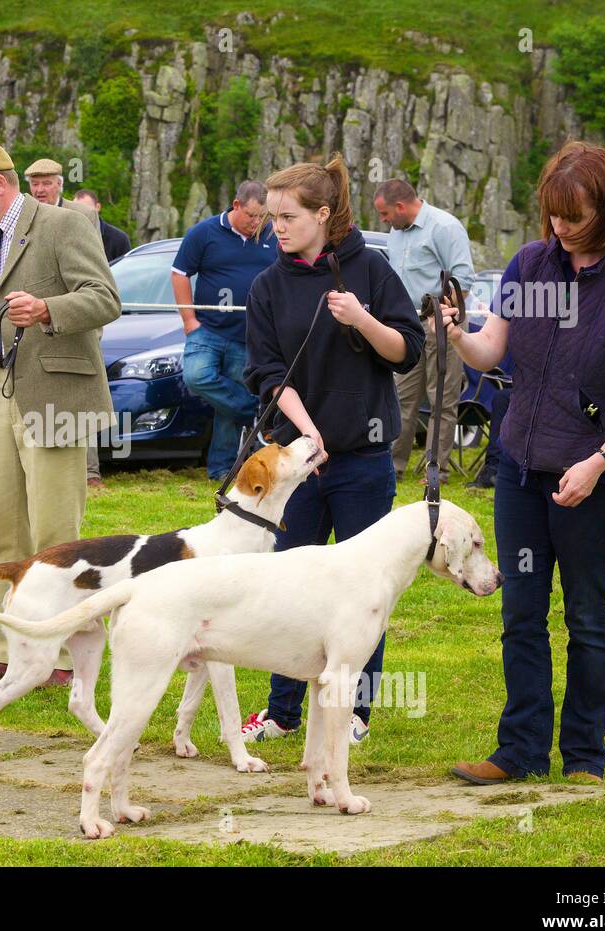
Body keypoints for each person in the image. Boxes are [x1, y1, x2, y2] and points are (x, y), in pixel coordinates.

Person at [441, 141, 605, 785]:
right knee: (521, 613)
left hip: (593, 478)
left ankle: (584, 760)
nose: (561, 228)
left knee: (586, 617)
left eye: (575, 216)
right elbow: (491, 350)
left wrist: (598, 461)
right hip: (518, 467)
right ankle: (517, 751)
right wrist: (458, 334)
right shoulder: (528, 266)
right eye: (554, 215)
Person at [239, 155, 424, 745]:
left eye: (288, 216)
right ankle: (283, 710)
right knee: (286, 585)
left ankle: (355, 712)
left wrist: (363, 319)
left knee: (362, 591)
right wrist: (305, 433)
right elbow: (266, 372)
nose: (277, 228)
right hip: (296, 463)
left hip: (365, 458)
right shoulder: (268, 285)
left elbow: (407, 351)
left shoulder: (369, 270)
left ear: (323, 215)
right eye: (271, 218)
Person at [0, 140, 120, 687]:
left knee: (56, 536)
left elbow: (105, 298)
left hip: (58, 396)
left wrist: (48, 310)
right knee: (3, 536)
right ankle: (8, 652)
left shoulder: (64, 224)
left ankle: (57, 658)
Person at [373, 179, 477, 484]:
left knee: (441, 399)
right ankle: (393, 467)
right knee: (400, 397)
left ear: (401, 207)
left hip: (441, 323)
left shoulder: (445, 227)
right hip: (406, 327)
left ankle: (436, 470)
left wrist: (444, 321)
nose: (383, 220)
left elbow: (464, 279)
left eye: (385, 213)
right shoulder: (395, 234)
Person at [171, 182, 277, 480]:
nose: (256, 223)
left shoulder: (271, 235)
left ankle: (220, 470)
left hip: (250, 335)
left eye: (262, 217)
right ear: (236, 204)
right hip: (208, 329)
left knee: (226, 409)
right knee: (196, 376)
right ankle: (255, 412)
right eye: (252, 216)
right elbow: (179, 274)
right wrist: (189, 320)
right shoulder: (204, 233)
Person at [25, 158, 108, 488]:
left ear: (60, 183)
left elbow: (94, 270)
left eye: (46, 182)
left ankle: (90, 472)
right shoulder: (26, 214)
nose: (40, 189)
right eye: (35, 183)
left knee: (82, 397)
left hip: (78, 316)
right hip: (37, 317)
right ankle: (42, 469)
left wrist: (89, 320)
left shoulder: (83, 215)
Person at [72, 189, 132, 262]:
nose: (81, 214)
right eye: (76, 210)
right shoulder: (67, 237)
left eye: (85, 209)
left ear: (97, 207)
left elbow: (126, 270)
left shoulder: (119, 239)